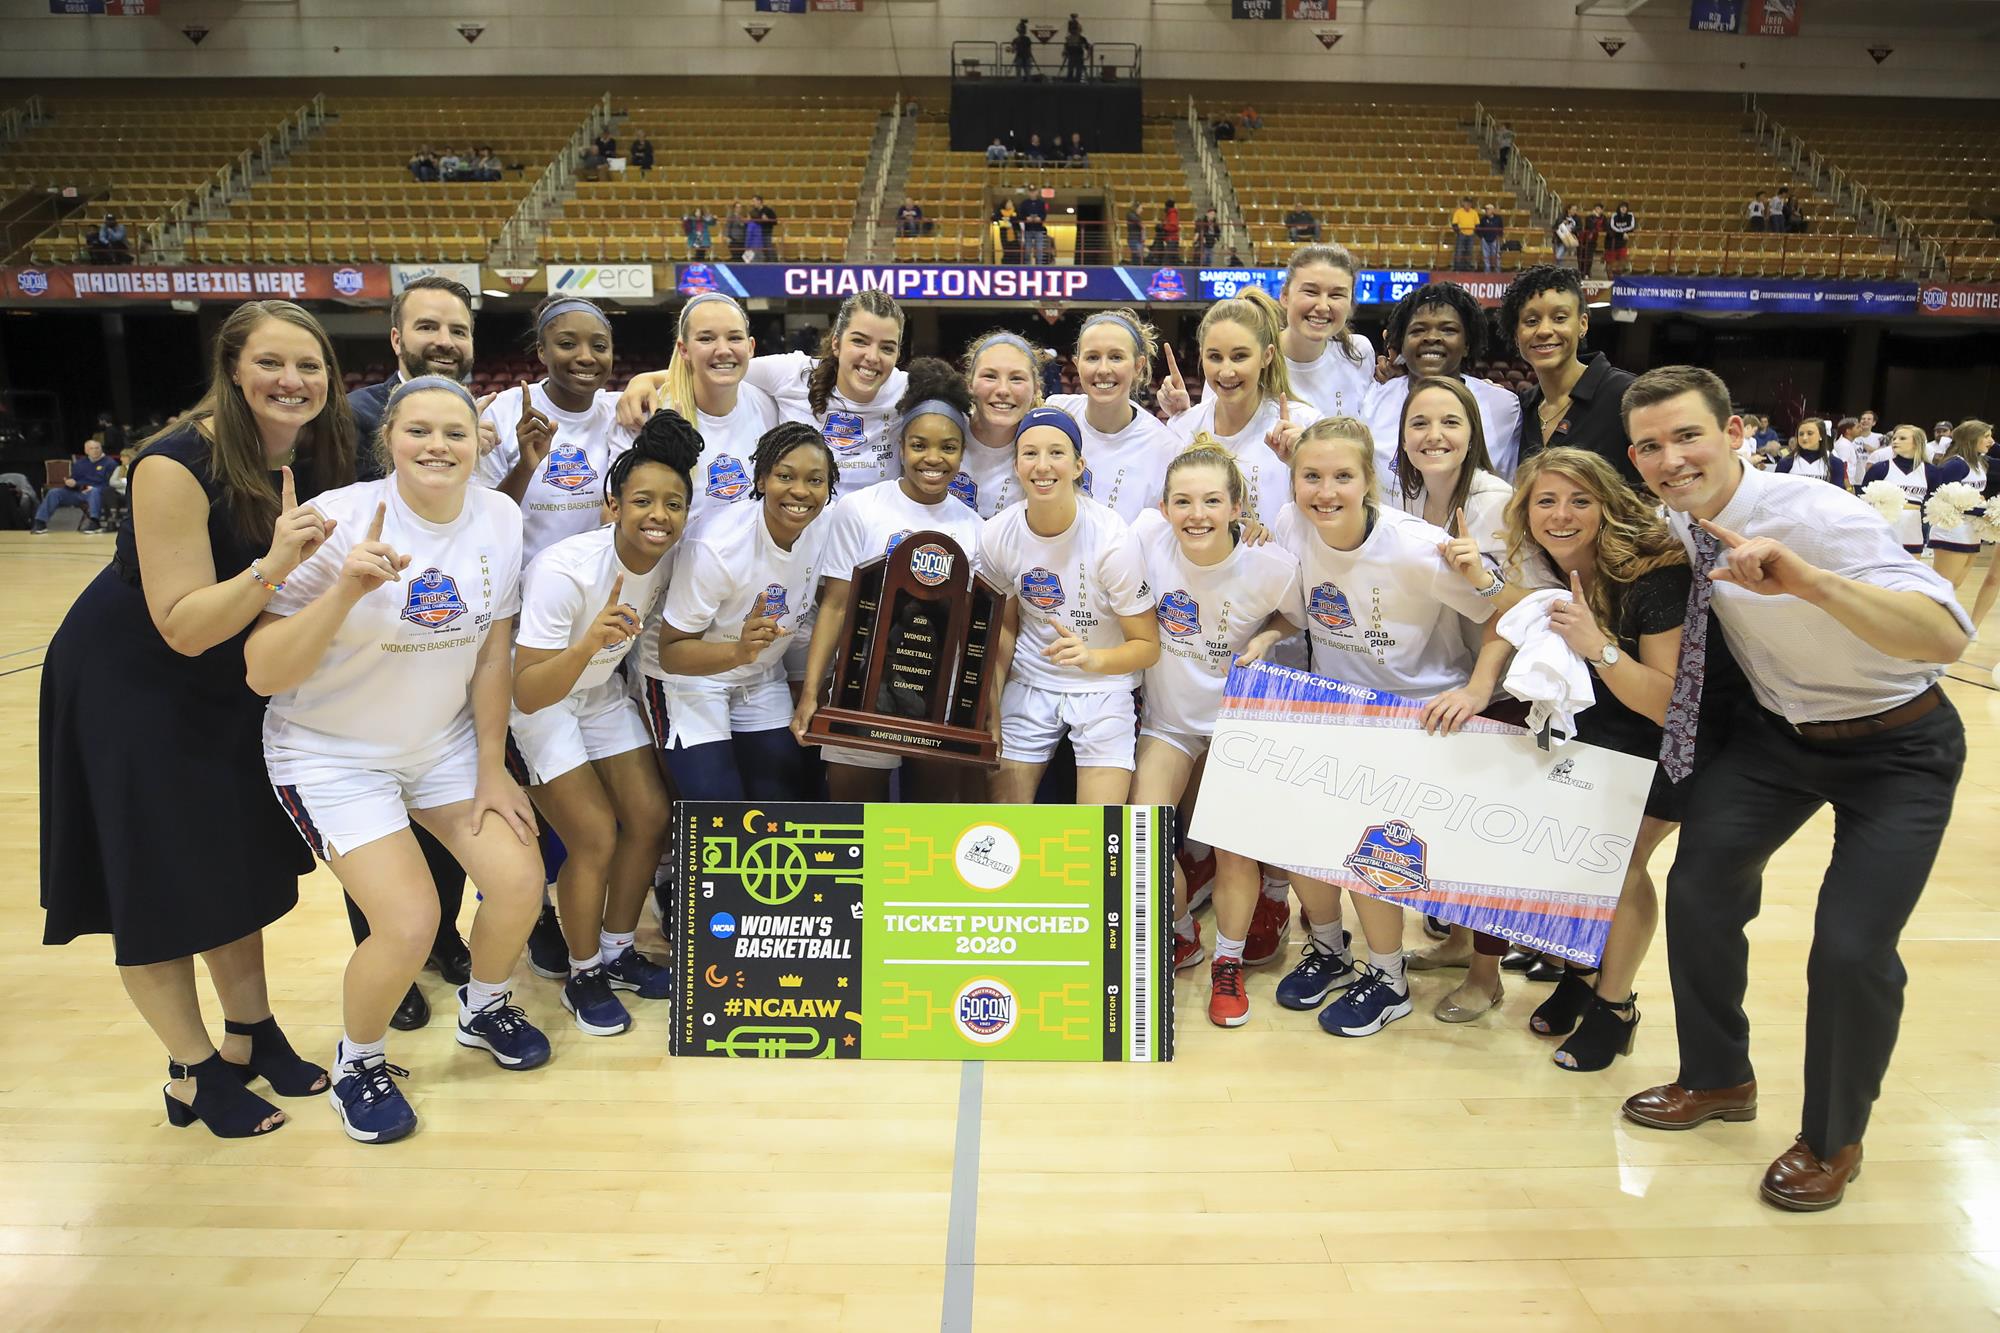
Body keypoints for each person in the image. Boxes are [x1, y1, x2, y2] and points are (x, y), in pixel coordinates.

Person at [1619, 364, 1972, 1213]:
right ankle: (1718, 1078)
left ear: (1735, 432)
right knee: (1701, 889)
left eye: (1687, 435)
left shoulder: (1818, 514)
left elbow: (1946, 636)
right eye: (1650, 446)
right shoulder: (1678, 513)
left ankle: (1833, 1138)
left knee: (1851, 949)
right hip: (1780, 739)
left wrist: (1808, 579)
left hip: (1899, 746)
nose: (1670, 457)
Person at [40, 300, 351, 1139]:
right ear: (232, 369)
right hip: (132, 682)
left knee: (223, 867)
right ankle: (192, 1068)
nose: (293, 381)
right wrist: (274, 564)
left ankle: (250, 1031)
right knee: (156, 882)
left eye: (310, 365)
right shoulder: (173, 463)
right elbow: (180, 623)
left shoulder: (309, 445)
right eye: (272, 365)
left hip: (222, 681)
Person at [247, 376, 547, 1144]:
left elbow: (491, 651)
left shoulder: (502, 516)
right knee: (411, 921)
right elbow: (262, 671)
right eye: (419, 430)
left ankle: (483, 1010)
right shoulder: (340, 522)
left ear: (482, 442)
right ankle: (359, 1061)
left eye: (456, 431)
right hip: (332, 753)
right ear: (391, 440)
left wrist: (490, 762)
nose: (438, 445)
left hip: (441, 744)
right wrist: (345, 589)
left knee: (518, 881)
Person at [1268, 416, 1502, 1037]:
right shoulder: (1293, 527)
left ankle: (1390, 977)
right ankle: (1329, 947)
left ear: (1369, 480)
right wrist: (1265, 636)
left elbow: (1503, 613)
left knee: (1367, 842)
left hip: (1419, 716)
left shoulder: (1417, 546)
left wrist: (1477, 689)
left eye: (1342, 476)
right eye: (1311, 476)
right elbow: (1292, 613)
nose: (1325, 490)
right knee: (1293, 833)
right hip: (1340, 707)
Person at [1470, 448, 1695, 1070]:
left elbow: (1668, 704)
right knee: (1573, 866)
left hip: (1660, 748)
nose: (1561, 514)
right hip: (1592, 740)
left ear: (1608, 505)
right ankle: (1579, 973)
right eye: (1546, 501)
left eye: (1579, 500)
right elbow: (1508, 617)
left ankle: (1615, 1008)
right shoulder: (1550, 564)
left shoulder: (1654, 578)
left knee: (1619, 869)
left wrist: (1599, 647)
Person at [510, 416, 695, 1038]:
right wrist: (589, 643)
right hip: (544, 699)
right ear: (612, 506)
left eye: (674, 504)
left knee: (649, 815)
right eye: (642, 501)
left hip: (598, 694)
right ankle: (582, 972)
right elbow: (528, 688)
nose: (659, 515)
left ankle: (617, 953)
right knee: (592, 836)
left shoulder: (666, 562)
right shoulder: (564, 570)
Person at [336, 273, 487, 1032]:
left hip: (449, 644)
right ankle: (387, 951)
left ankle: (440, 938)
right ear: (396, 338)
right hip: (368, 657)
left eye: (457, 331)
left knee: (449, 812)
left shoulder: (475, 420)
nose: (444, 342)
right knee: (378, 827)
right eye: (428, 327)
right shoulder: (356, 416)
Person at [1131, 444, 1303, 1024]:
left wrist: (1266, 637)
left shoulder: (1270, 565)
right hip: (1171, 721)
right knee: (1145, 838)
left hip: (1238, 722)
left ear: (1237, 508)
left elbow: (1296, 614)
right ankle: (1181, 933)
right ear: (1163, 506)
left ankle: (1228, 965)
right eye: (1182, 501)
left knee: (1234, 849)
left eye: (1211, 500)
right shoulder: (1146, 540)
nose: (1196, 513)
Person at [1383, 376, 1519, 1019]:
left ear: (1473, 434)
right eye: (1419, 424)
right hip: (1464, 673)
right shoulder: (1409, 494)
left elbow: (1514, 610)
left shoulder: (1491, 499)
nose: (1433, 436)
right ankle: (1461, 943)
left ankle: (1488, 975)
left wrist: (1480, 687)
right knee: (1446, 826)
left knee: (1483, 839)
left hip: (1508, 679)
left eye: (1449, 423)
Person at [792, 358, 987, 802]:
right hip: (859, 689)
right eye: (919, 444)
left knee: (927, 838)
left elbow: (973, 632)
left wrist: (979, 708)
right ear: (901, 445)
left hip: (939, 696)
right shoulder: (860, 510)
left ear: (963, 452)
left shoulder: (976, 528)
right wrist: (811, 692)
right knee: (853, 831)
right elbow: (836, 605)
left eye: (949, 447)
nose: (933, 459)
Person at [643, 422, 834, 803]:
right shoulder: (716, 547)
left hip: (760, 675)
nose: (800, 491)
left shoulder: (828, 525)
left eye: (815, 480)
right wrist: (738, 652)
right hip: (686, 678)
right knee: (716, 806)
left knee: (781, 796)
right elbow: (672, 651)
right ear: (761, 480)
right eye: (785, 476)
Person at [984, 406, 1160, 806]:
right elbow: (1005, 628)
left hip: (1104, 685)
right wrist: (992, 705)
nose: (1042, 465)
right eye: (1030, 453)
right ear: (1015, 465)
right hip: (1031, 681)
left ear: (1079, 465)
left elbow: (1147, 647)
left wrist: (1091, 658)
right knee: (1000, 826)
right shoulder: (997, 535)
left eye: (1056, 453)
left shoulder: (1113, 539)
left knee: (1099, 832)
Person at [619, 290, 911, 495]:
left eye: (887, 347)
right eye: (860, 341)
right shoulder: (792, 373)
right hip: (800, 537)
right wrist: (644, 380)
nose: (872, 357)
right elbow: (722, 366)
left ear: (898, 353)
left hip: (867, 545)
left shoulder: (907, 390)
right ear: (836, 344)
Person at [478, 297, 632, 565]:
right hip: (525, 584)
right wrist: (525, 468)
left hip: (600, 580)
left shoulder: (620, 411)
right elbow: (484, 521)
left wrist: (645, 379)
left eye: (599, 346)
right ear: (541, 351)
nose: (586, 357)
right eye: (567, 344)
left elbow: (693, 376)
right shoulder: (502, 412)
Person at [1157, 288, 1322, 526]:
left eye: (1239, 356)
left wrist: (1306, 464)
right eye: (1214, 357)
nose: (1226, 371)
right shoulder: (1182, 429)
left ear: (1267, 356)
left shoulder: (1305, 425)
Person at [1363, 281, 1525, 480]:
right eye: (1418, 330)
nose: (1432, 338)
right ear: (1401, 344)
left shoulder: (1504, 407)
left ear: (1467, 345)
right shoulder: (1372, 401)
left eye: (1448, 330)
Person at [1506, 265, 1642, 488]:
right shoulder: (1521, 409)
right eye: (1531, 321)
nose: (1544, 330)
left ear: (1583, 324)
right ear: (1516, 335)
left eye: (1559, 318)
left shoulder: (1627, 395)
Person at [650, 291, 783, 519]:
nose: (723, 350)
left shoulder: (769, 406)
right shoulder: (653, 413)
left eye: (734, 338)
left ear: (750, 347)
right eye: (706, 338)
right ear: (684, 349)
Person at [1046, 309, 1176, 523]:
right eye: (1092, 357)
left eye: (1116, 357)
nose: (1103, 369)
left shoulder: (1166, 448)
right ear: (1077, 364)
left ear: (1138, 366)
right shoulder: (1055, 414)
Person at [1278, 244, 1376, 421]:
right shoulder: (1254, 358)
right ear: (1285, 296)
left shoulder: (1359, 352)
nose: (1323, 306)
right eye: (1310, 292)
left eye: (1336, 295)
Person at [956, 330, 1045, 519]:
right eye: (990, 376)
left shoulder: (1046, 454)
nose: (1003, 390)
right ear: (969, 384)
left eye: (1016, 379)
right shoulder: (944, 435)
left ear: (1036, 388)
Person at [1860, 424, 1955, 556]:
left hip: (1912, 530)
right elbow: (1863, 498)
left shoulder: (1931, 472)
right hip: (1883, 529)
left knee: (1910, 575)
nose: (1895, 441)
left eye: (1902, 438)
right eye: (1894, 438)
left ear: (1917, 443)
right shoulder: (1880, 468)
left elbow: (1936, 501)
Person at [1925, 419, 1992, 589]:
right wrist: (1986, 510)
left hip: (1972, 530)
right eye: (1986, 436)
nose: (1991, 441)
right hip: (1953, 529)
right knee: (1942, 585)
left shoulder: (1979, 462)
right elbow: (1942, 499)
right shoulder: (1956, 464)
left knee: (1955, 584)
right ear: (1972, 438)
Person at [32, 433, 118, 534]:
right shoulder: (80, 463)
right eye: (91, 448)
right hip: (78, 491)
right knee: (54, 492)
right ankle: (40, 522)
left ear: (101, 449)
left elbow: (109, 483)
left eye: (97, 448)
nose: (95, 450)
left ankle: (95, 522)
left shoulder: (109, 463)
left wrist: (87, 486)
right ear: (86, 451)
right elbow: (74, 479)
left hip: (97, 492)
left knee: (94, 491)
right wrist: (70, 482)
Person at [1772, 416, 1847, 489]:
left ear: (1821, 436)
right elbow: (1777, 491)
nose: (1804, 438)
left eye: (1810, 433)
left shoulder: (1835, 463)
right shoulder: (1786, 462)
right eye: (1801, 434)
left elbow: (1838, 494)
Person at [1449, 196, 1480, 270]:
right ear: (1463, 203)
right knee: (1459, 251)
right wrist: (1459, 232)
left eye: (1469, 203)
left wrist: (1474, 232)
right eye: (1466, 203)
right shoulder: (1458, 212)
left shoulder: (1474, 212)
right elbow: (1454, 224)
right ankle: (1457, 267)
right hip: (1462, 234)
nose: (1468, 204)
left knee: (1469, 251)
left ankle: (1467, 266)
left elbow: (1477, 224)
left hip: (1471, 234)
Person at [1578, 204, 1608, 278]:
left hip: (1597, 239)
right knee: (1584, 256)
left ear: (1602, 210)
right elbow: (1590, 227)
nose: (1598, 210)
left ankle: (1587, 272)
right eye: (1596, 208)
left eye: (1599, 209)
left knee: (1589, 257)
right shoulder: (1589, 217)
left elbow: (1606, 227)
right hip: (1588, 239)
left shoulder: (1604, 218)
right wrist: (1595, 217)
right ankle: (1582, 272)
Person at [1607, 201, 1636, 276]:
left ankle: (1620, 272)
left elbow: (1632, 226)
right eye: (1622, 207)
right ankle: (1611, 272)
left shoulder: (1630, 215)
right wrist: (1622, 233)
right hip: (1614, 239)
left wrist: (1625, 232)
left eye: (1625, 207)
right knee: (1612, 259)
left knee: (1622, 257)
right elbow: (1613, 227)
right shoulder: (1615, 215)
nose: (1623, 209)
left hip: (1625, 240)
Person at [1476, 204, 1505, 273]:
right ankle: (1487, 271)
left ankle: (1498, 271)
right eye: (1486, 209)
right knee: (1486, 256)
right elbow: (1478, 229)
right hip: (1485, 240)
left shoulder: (1498, 218)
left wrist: (1499, 236)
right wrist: (1482, 237)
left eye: (1488, 209)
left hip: (1495, 240)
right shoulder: (1483, 219)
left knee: (1496, 256)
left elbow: (1501, 228)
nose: (1486, 211)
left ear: (1492, 210)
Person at [1061, 16, 1087, 81]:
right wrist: (1065, 51)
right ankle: (1071, 79)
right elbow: (1066, 45)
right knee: (1071, 69)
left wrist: (1088, 56)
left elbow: (1087, 47)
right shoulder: (1069, 38)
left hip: (1078, 55)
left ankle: (1077, 80)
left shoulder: (1081, 38)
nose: (1074, 30)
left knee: (1078, 70)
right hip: (1071, 55)